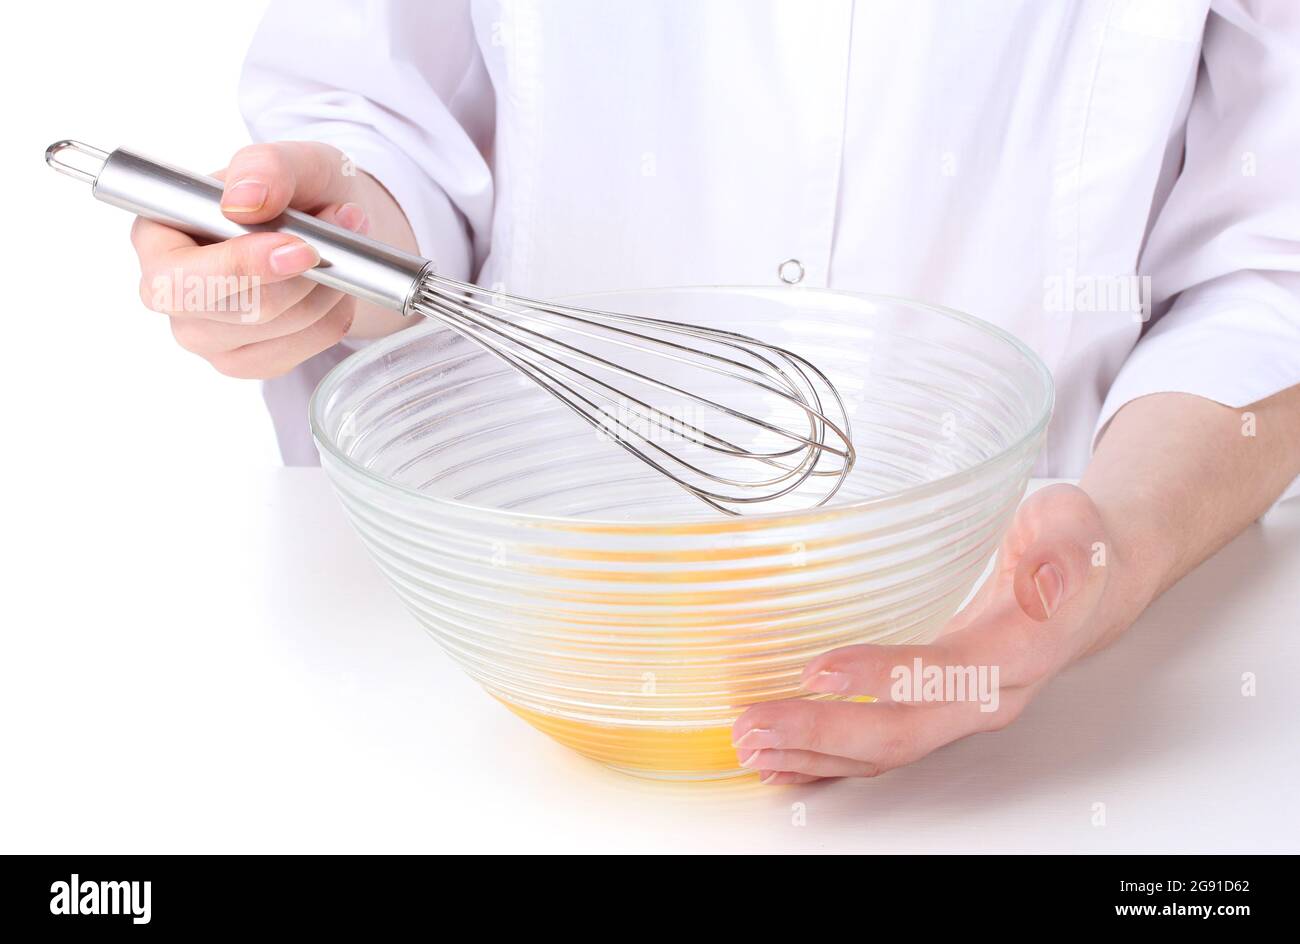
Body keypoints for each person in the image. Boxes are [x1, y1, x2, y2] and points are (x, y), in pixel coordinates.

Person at [129, 0, 1300, 784]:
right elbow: (389, 126)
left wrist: (1113, 555)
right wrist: (328, 256)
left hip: (1077, 720)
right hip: (524, 661)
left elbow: (1269, 266)